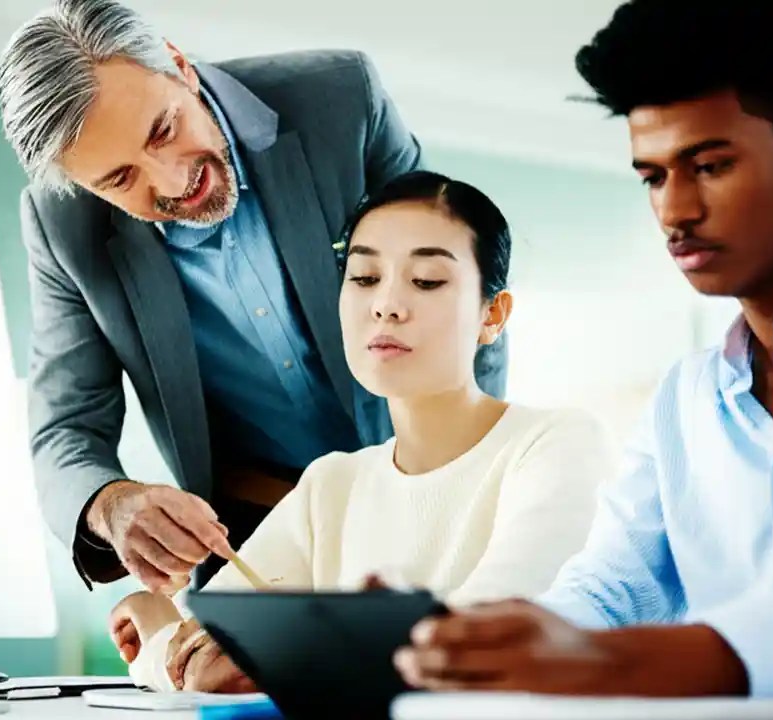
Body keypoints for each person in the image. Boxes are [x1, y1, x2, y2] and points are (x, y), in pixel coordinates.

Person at [396, 0, 773, 698]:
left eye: (709, 166)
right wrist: (466, 641)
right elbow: (607, 591)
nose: (674, 212)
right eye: (652, 176)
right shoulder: (686, 398)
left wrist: (614, 661)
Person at [0, 0, 507, 591]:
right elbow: (66, 428)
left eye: (163, 130)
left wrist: (465, 482)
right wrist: (112, 504)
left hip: (426, 487)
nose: (170, 181)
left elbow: (460, 290)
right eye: (120, 179)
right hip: (256, 532)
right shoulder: (60, 225)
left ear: (180, 68)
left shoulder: (341, 99)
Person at [107, 171, 613, 693]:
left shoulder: (555, 445)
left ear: (493, 314)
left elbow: (482, 638)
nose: (386, 305)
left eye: (427, 281)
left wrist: (277, 655)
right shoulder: (332, 484)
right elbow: (202, 656)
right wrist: (156, 624)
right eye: (365, 278)